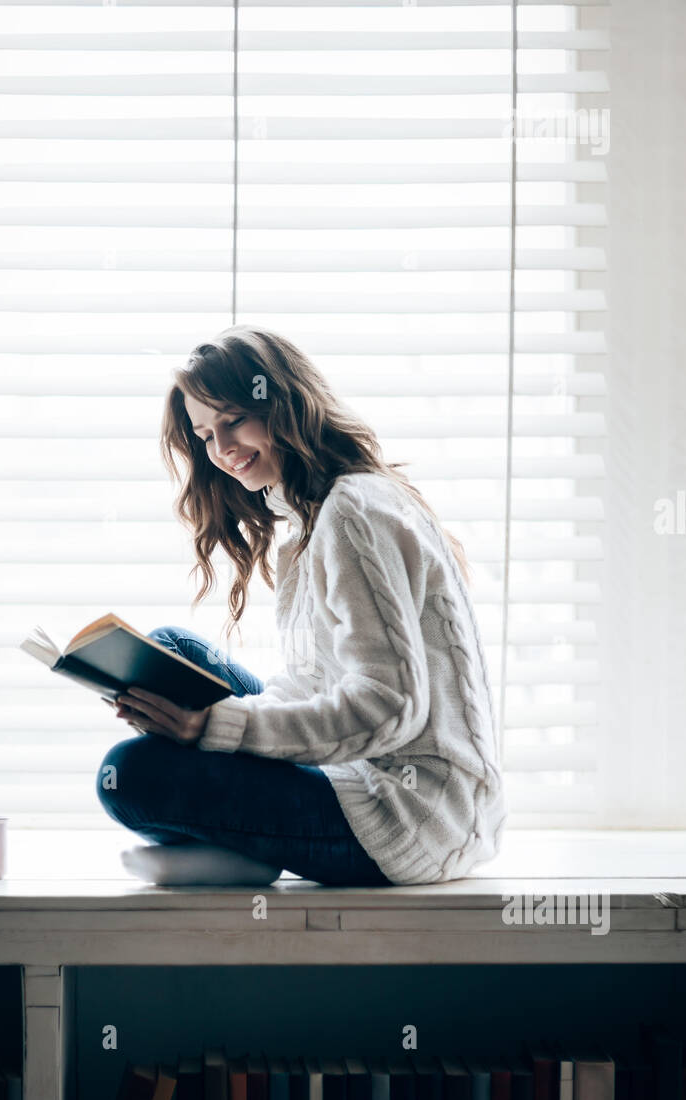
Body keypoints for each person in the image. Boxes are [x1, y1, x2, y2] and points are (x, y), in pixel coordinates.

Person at [96, 325, 506, 887]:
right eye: (206, 434)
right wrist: (204, 722)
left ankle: (241, 846)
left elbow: (387, 707)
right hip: (359, 774)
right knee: (170, 654)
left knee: (127, 774)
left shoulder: (352, 514)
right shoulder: (313, 520)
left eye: (234, 420)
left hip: (412, 816)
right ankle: (245, 842)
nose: (223, 451)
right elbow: (317, 683)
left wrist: (215, 727)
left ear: (285, 401)